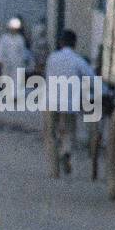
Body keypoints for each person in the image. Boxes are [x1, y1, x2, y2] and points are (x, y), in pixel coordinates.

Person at [43, 29, 97, 178]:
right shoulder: (78, 60)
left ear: (60, 42)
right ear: (75, 43)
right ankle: (66, 151)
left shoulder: (52, 58)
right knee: (68, 132)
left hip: (51, 101)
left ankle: (54, 171)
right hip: (70, 103)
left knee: (51, 135)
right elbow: (92, 79)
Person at [0, 18, 30, 83]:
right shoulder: (4, 38)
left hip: (17, 62)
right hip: (6, 62)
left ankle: (16, 92)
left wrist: (25, 59)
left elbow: (23, 50)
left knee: (16, 79)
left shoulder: (20, 38)